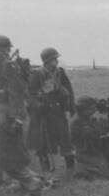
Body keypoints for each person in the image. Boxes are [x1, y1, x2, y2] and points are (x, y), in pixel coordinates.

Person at [0, 36, 43, 196]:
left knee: (8, 152)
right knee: (8, 150)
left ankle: (32, 182)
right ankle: (27, 181)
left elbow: (16, 91)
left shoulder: (7, 65)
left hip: (6, 113)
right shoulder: (6, 64)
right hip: (7, 113)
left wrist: (16, 117)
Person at [27, 47, 76, 175]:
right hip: (44, 113)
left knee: (65, 138)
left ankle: (71, 169)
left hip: (59, 111)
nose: (57, 61)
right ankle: (46, 170)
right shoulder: (37, 74)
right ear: (47, 61)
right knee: (43, 142)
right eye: (54, 59)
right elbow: (30, 94)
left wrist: (71, 106)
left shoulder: (60, 73)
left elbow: (68, 89)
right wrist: (38, 106)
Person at [70, 98, 109, 180]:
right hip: (84, 153)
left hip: (93, 151)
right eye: (91, 108)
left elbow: (104, 131)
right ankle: (83, 168)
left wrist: (107, 115)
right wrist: (103, 117)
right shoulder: (77, 122)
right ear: (84, 110)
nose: (94, 110)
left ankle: (88, 169)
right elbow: (96, 133)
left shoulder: (88, 118)